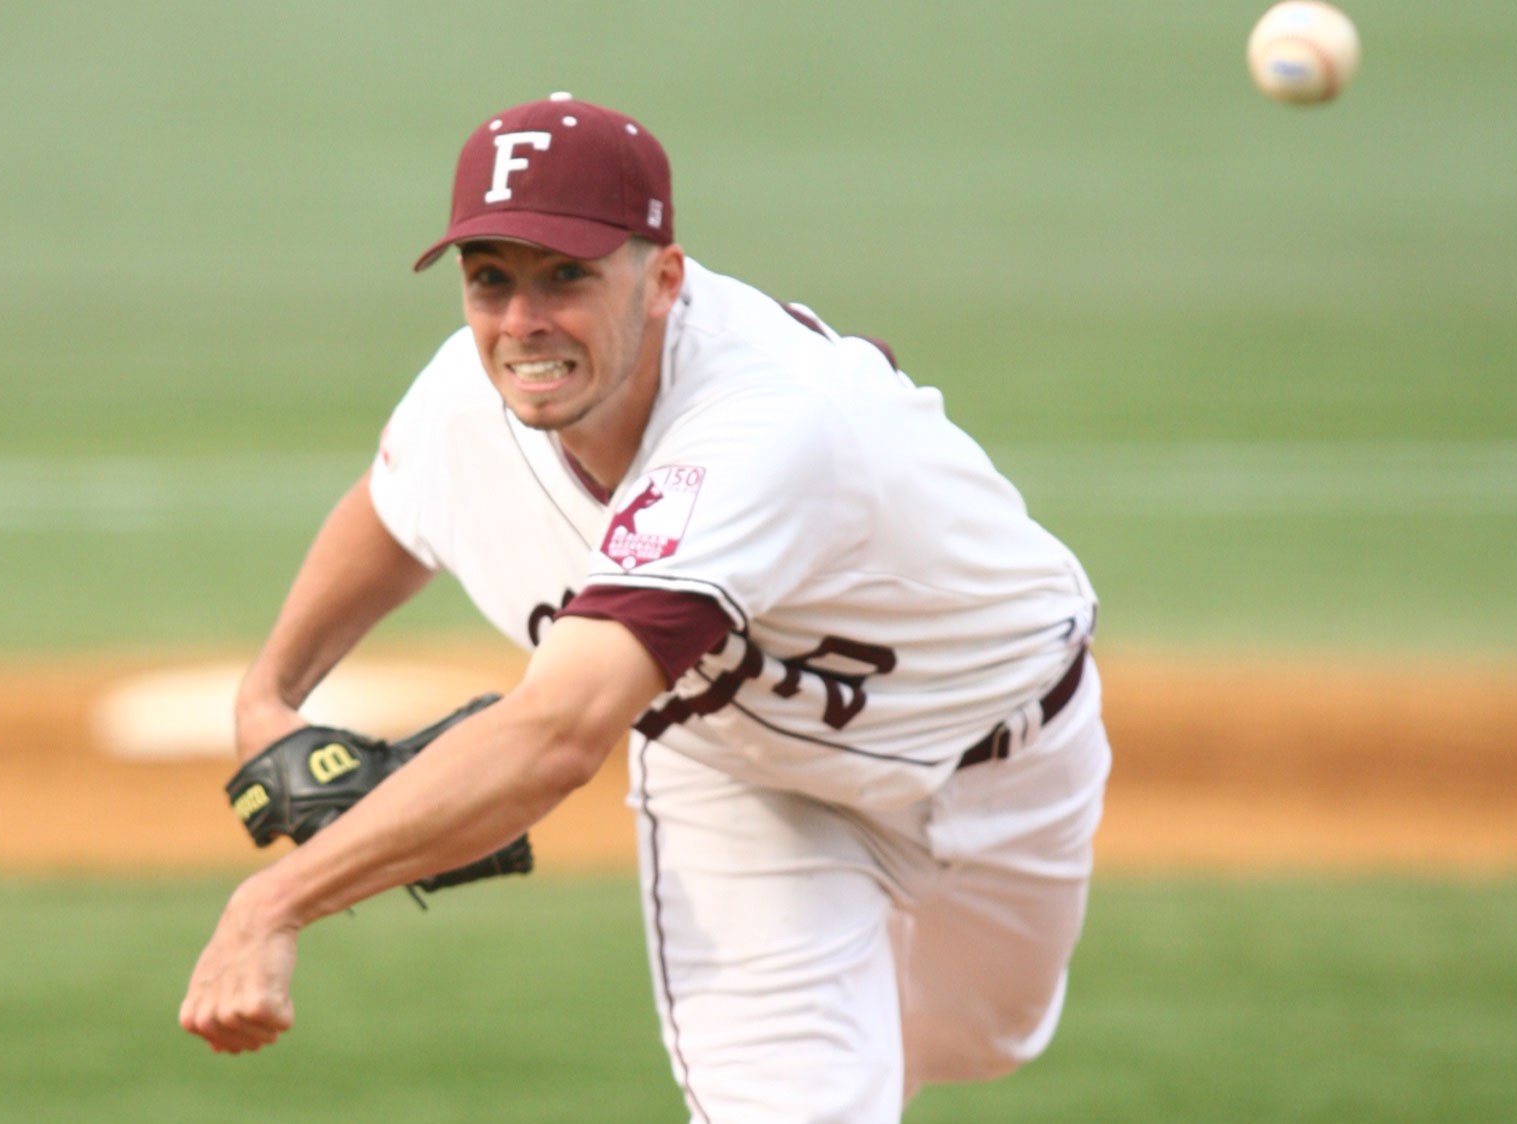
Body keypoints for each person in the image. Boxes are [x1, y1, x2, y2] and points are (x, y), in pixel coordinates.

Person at [179, 91, 1111, 1123]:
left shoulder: (764, 421)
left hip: (1007, 751)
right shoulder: (469, 395)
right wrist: (269, 692)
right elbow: (399, 506)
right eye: (490, 279)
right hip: (747, 783)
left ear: (664, 277)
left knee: (974, 1040)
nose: (522, 323)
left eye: (565, 275)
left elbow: (555, 734)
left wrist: (272, 904)